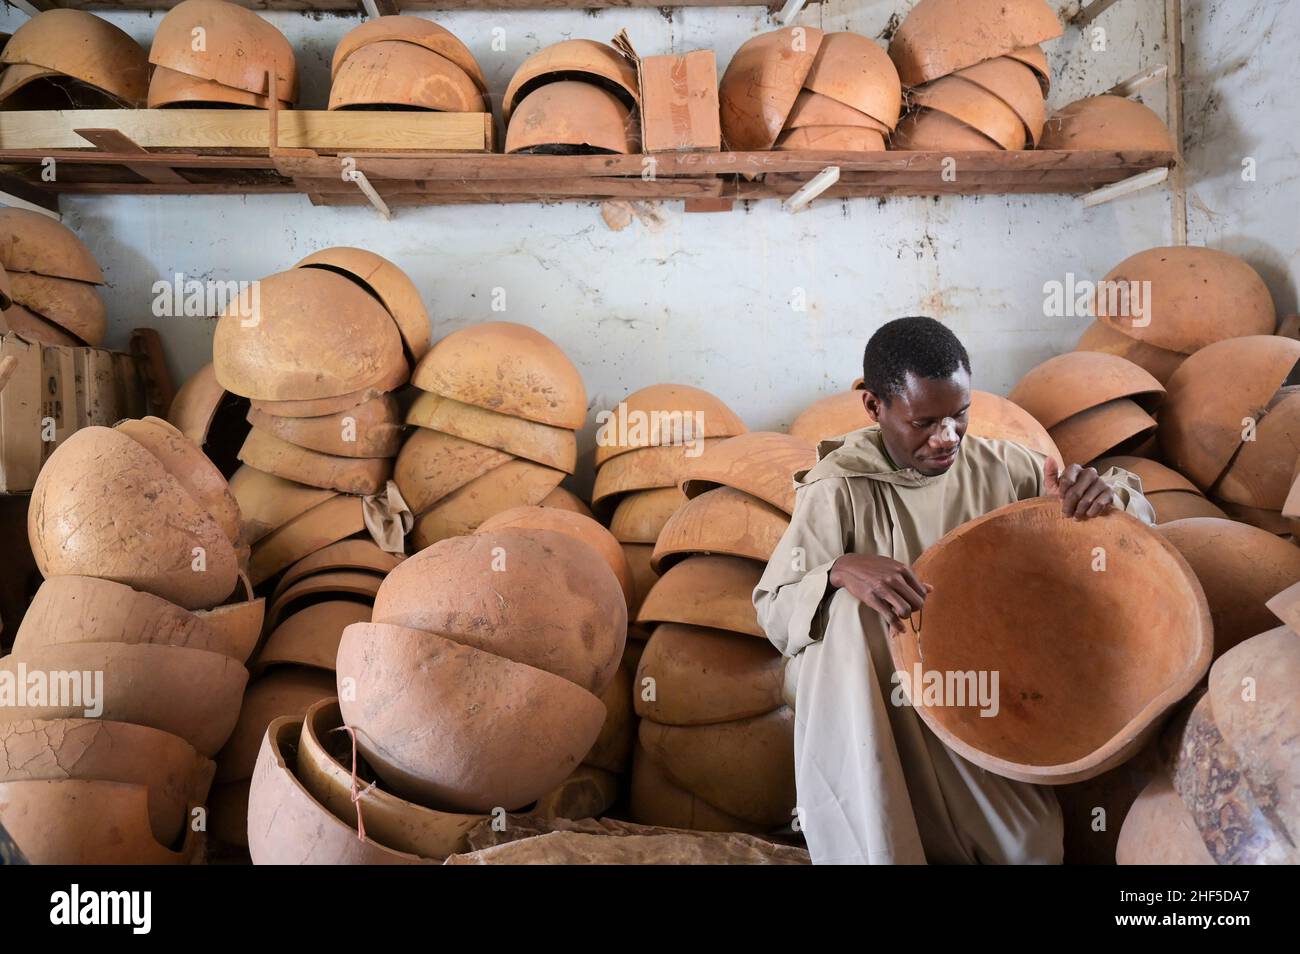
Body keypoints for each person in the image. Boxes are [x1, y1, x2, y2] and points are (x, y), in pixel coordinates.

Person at [754, 317, 1155, 864]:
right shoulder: (838, 487)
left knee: (1031, 847)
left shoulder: (1009, 469)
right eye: (924, 422)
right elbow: (774, 608)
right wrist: (839, 570)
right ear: (874, 407)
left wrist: (1100, 499)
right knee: (851, 611)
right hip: (878, 710)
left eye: (959, 416)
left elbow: (1134, 538)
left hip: (981, 694)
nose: (946, 438)